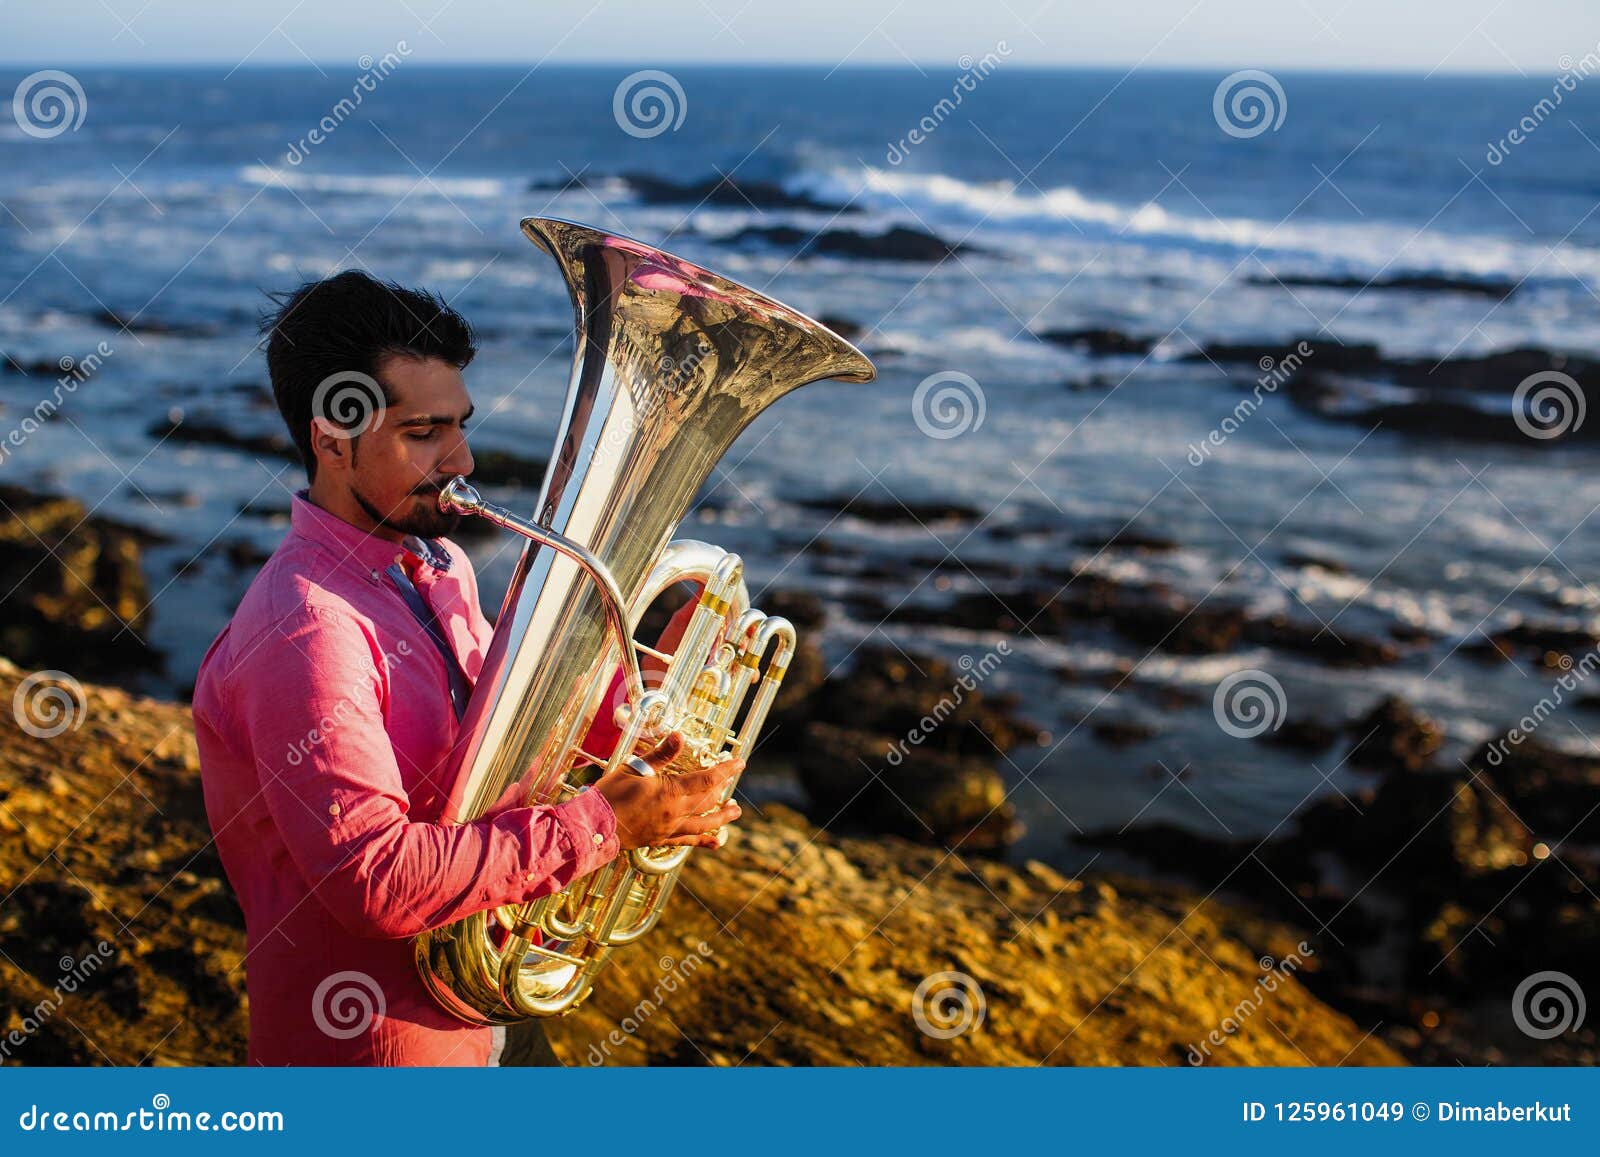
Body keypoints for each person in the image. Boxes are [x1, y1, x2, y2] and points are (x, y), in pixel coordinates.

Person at [191, 270, 741, 1066]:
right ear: (332, 438)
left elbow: (502, 744)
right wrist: (609, 825)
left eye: (461, 425)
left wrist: (653, 699)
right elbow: (374, 878)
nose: (462, 457)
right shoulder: (306, 627)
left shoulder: (436, 562)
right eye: (424, 433)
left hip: (487, 1010)